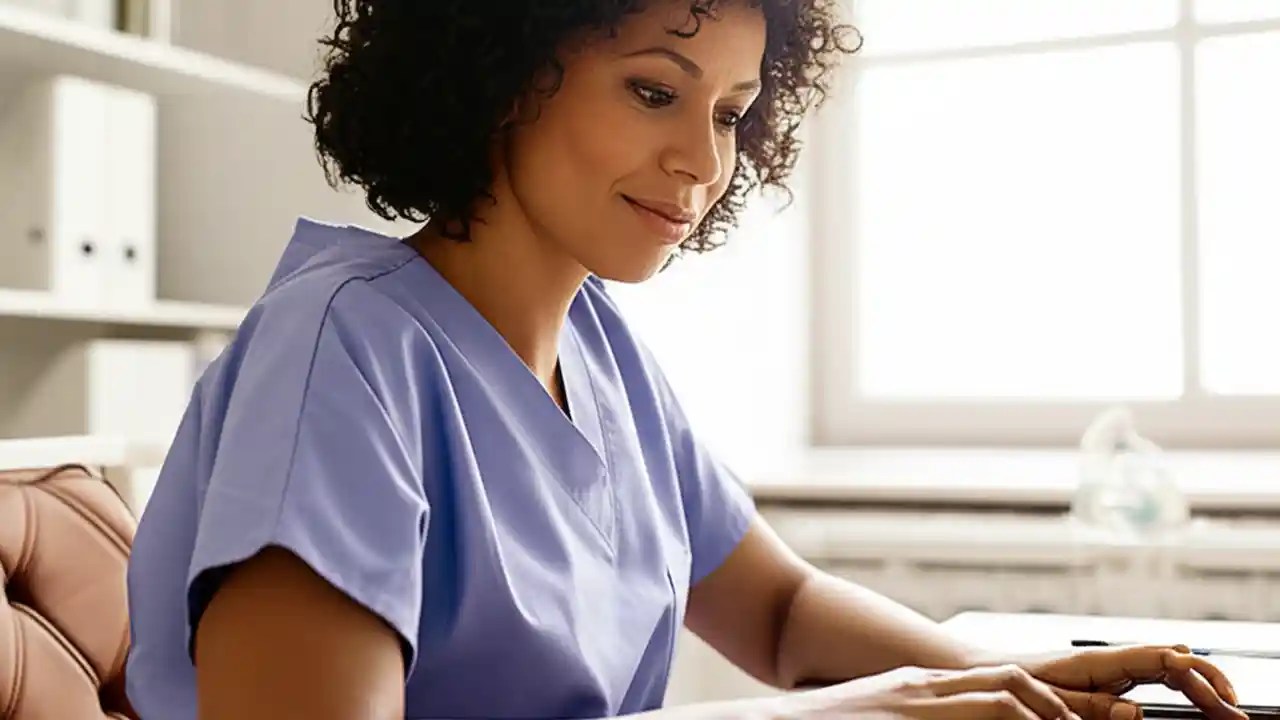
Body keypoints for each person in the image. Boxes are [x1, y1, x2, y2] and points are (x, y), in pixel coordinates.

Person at [123, 1, 1248, 718]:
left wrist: (1004, 677)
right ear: (500, 75)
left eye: (730, 111)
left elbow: (779, 612)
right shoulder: (340, 352)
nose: (701, 161)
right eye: (654, 92)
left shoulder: (600, 351)